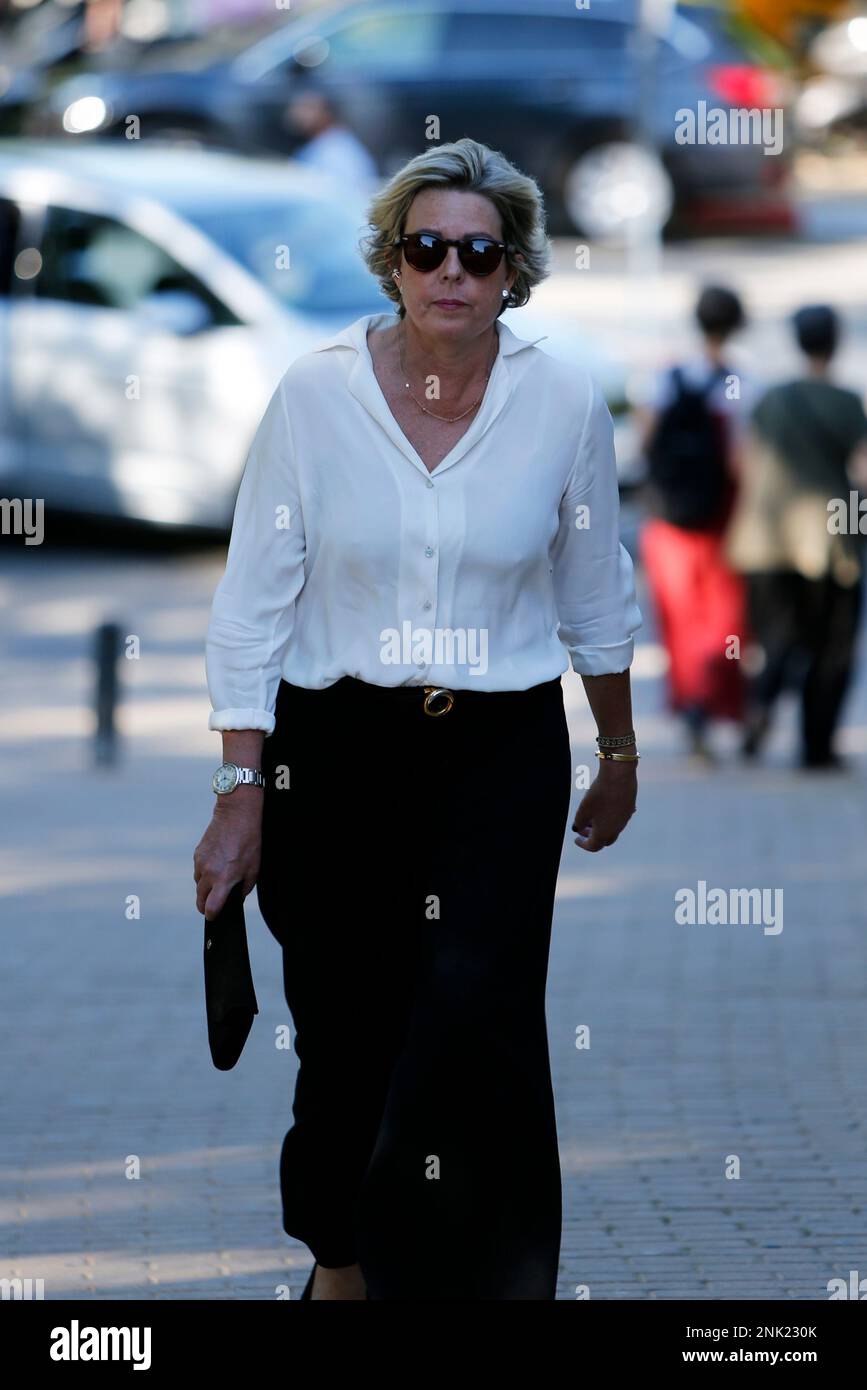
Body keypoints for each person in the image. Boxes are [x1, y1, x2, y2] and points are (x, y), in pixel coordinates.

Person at [194, 137, 642, 1301]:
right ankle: (340, 1266)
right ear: (392, 262)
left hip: (496, 754)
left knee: (477, 1021)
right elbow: (252, 602)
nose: (452, 271)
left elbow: (597, 593)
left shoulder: (561, 400)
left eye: (478, 253)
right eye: (427, 247)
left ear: (514, 271)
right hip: (333, 751)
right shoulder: (313, 394)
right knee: (346, 1032)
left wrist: (620, 751)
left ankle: (483, 1283)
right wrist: (239, 791)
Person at [725, 304, 867, 769]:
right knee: (831, 647)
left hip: (763, 541)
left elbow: (743, 460)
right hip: (828, 543)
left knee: (778, 641)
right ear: (836, 342)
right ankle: (816, 745)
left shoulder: (771, 399)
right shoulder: (846, 403)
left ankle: (762, 704)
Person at [634, 285, 755, 761]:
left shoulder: (667, 377)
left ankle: (691, 703)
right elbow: (742, 460)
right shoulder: (740, 383)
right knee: (723, 618)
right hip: (721, 518)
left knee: (679, 616)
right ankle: (718, 702)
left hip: (669, 518)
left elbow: (645, 442)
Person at [285, 86, 379, 195]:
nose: (296, 114)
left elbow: (345, 196)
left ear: (327, 111)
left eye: (307, 107)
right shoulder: (320, 145)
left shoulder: (338, 152)